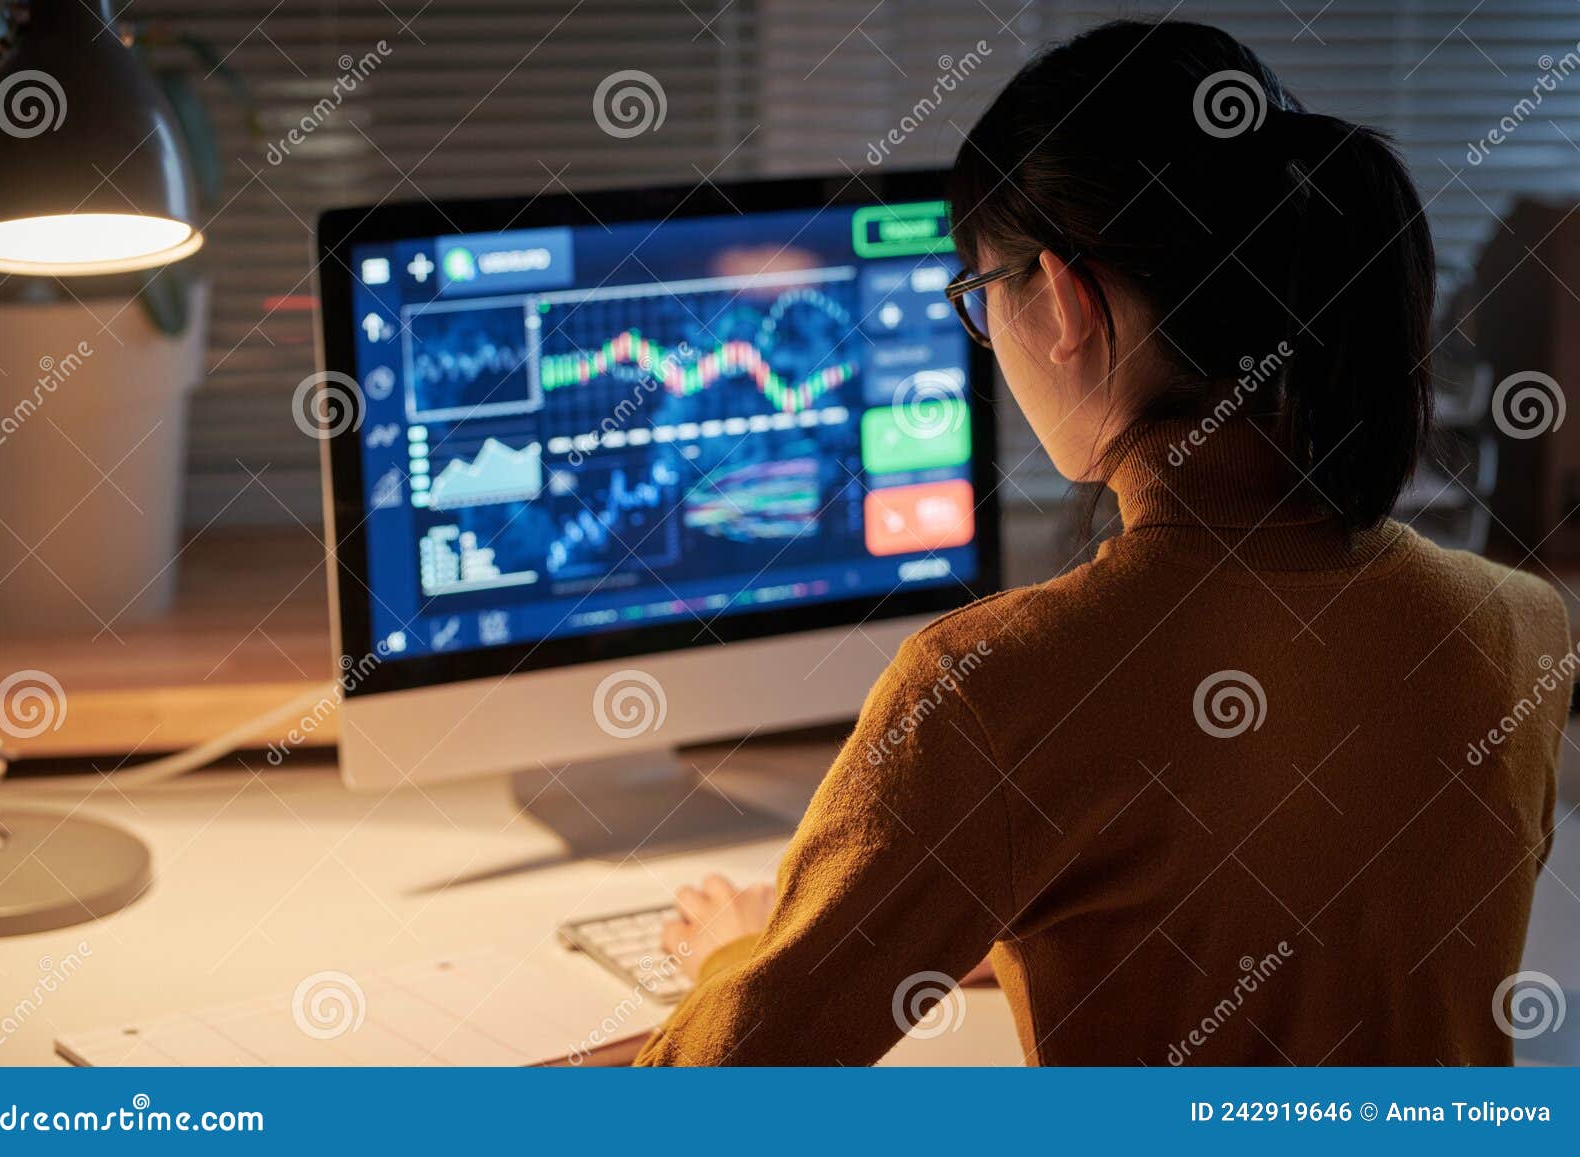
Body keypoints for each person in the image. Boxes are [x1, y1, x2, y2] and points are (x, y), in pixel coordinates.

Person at [635, 19, 1570, 1066]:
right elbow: (1299, 919)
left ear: (1065, 300)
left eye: (980, 300)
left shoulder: (989, 687)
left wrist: (733, 958)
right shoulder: (1521, 628)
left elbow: (723, 1083)